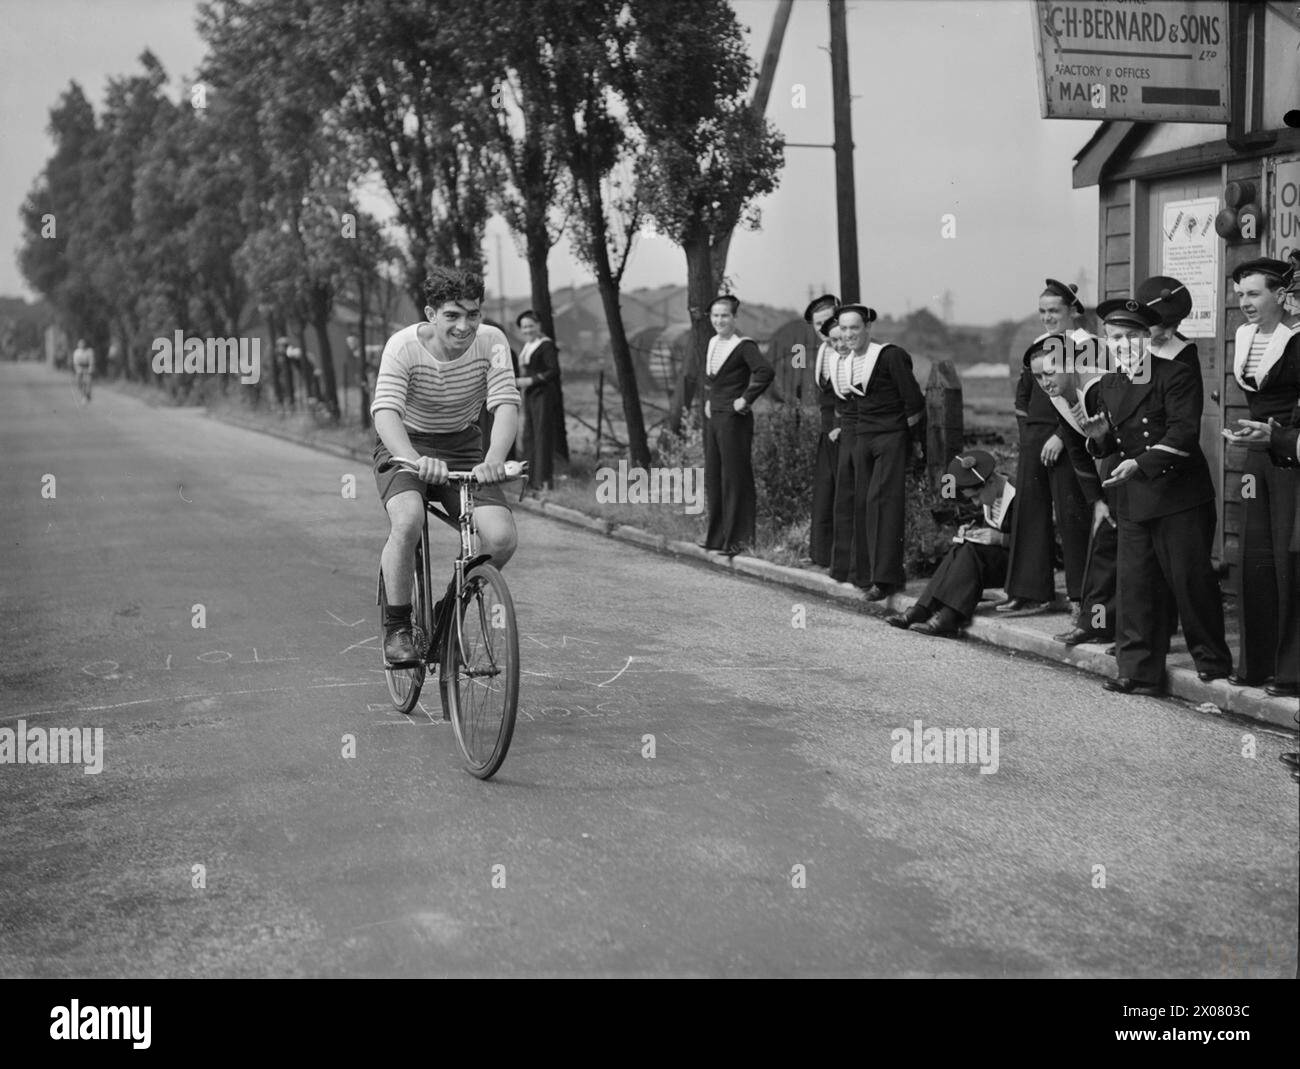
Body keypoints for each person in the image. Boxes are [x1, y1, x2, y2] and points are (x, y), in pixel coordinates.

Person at [1080, 297, 1232, 695]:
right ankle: (1137, 669)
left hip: (1177, 493)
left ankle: (1212, 661)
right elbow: (1116, 439)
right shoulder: (1110, 384)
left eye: (1132, 336)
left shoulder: (1175, 374)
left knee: (1189, 579)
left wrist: (1141, 463)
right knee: (1135, 584)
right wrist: (1099, 441)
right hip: (1134, 495)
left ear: (1147, 339)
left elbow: (1182, 433)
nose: (1124, 344)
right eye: (1115, 338)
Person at [370, 266, 521, 667]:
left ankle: (446, 611)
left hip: (463, 446)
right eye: (452, 315)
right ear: (431, 313)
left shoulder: (493, 342)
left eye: (473, 314)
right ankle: (399, 627)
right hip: (405, 442)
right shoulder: (402, 347)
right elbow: (385, 412)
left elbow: (505, 402)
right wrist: (415, 461)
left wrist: (493, 460)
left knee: (501, 538)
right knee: (408, 521)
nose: (464, 325)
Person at [1219, 257, 1300, 697]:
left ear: (1278, 296)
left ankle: (1289, 671)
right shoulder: (1245, 335)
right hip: (1256, 457)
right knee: (1254, 554)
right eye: (1240, 295)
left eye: (1253, 294)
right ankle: (1255, 663)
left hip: (1290, 457)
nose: (1244, 303)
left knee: (1288, 560)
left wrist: (1277, 436)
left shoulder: (1298, 337)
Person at [996, 280, 1093, 616]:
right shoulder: (1038, 344)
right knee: (1030, 513)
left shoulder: (1087, 345)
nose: (1048, 317)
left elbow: (1084, 397)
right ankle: (1030, 592)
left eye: (1054, 311)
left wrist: (1059, 436)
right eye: (1042, 311)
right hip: (1033, 440)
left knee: (1072, 517)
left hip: (1067, 440)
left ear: (1072, 311)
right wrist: (1027, 434)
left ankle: (1081, 596)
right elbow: (1024, 395)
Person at [826, 303, 926, 599]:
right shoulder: (843, 362)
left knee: (882, 503)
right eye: (843, 329)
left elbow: (914, 401)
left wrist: (915, 442)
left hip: (890, 437)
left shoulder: (889, 355)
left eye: (854, 328)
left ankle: (886, 580)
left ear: (867, 328)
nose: (848, 334)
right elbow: (848, 406)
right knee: (862, 504)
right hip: (862, 438)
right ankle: (864, 575)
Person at [1029, 334, 1117, 647]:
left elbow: (1114, 439)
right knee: (1104, 548)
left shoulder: (1098, 386)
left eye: (1049, 373)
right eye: (1038, 376)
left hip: (1132, 467)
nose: (1044, 382)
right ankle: (1096, 625)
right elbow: (1079, 450)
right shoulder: (1058, 398)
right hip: (1110, 470)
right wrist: (1097, 502)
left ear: (1069, 365)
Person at [886, 450, 1015, 637]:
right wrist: (972, 530)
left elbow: (1035, 544)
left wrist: (1000, 539)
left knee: (971, 551)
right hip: (997, 560)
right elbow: (990, 521)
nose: (976, 503)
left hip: (1019, 568)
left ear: (992, 482)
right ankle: (923, 608)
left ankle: (949, 617)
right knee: (961, 547)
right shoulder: (992, 493)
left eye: (976, 497)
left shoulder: (1018, 494)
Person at [698, 294, 774, 556]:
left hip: (734, 419)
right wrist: (709, 399)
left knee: (734, 476)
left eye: (725, 315)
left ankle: (737, 541)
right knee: (714, 475)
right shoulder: (711, 342)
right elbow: (712, 379)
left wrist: (746, 398)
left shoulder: (744, 345)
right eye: (715, 315)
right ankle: (717, 538)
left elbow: (765, 372)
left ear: (734, 318)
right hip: (714, 416)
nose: (719, 320)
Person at [514, 310, 569, 491]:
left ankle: (543, 480)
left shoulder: (546, 345)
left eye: (531, 326)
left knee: (541, 435)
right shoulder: (528, 345)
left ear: (538, 326)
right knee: (529, 435)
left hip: (543, 395)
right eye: (524, 327)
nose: (527, 330)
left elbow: (553, 371)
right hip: (530, 395)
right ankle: (530, 480)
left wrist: (531, 380)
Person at [804, 293, 840, 566]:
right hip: (826, 432)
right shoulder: (823, 352)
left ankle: (840, 557)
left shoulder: (847, 350)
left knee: (843, 495)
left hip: (844, 431)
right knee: (825, 493)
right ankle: (821, 555)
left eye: (829, 321)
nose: (824, 329)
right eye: (818, 324)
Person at [1135, 275, 1204, 415]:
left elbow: (1187, 419)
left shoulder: (1183, 353)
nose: (1169, 335)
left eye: (1175, 326)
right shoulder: (1117, 346)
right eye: (1162, 326)